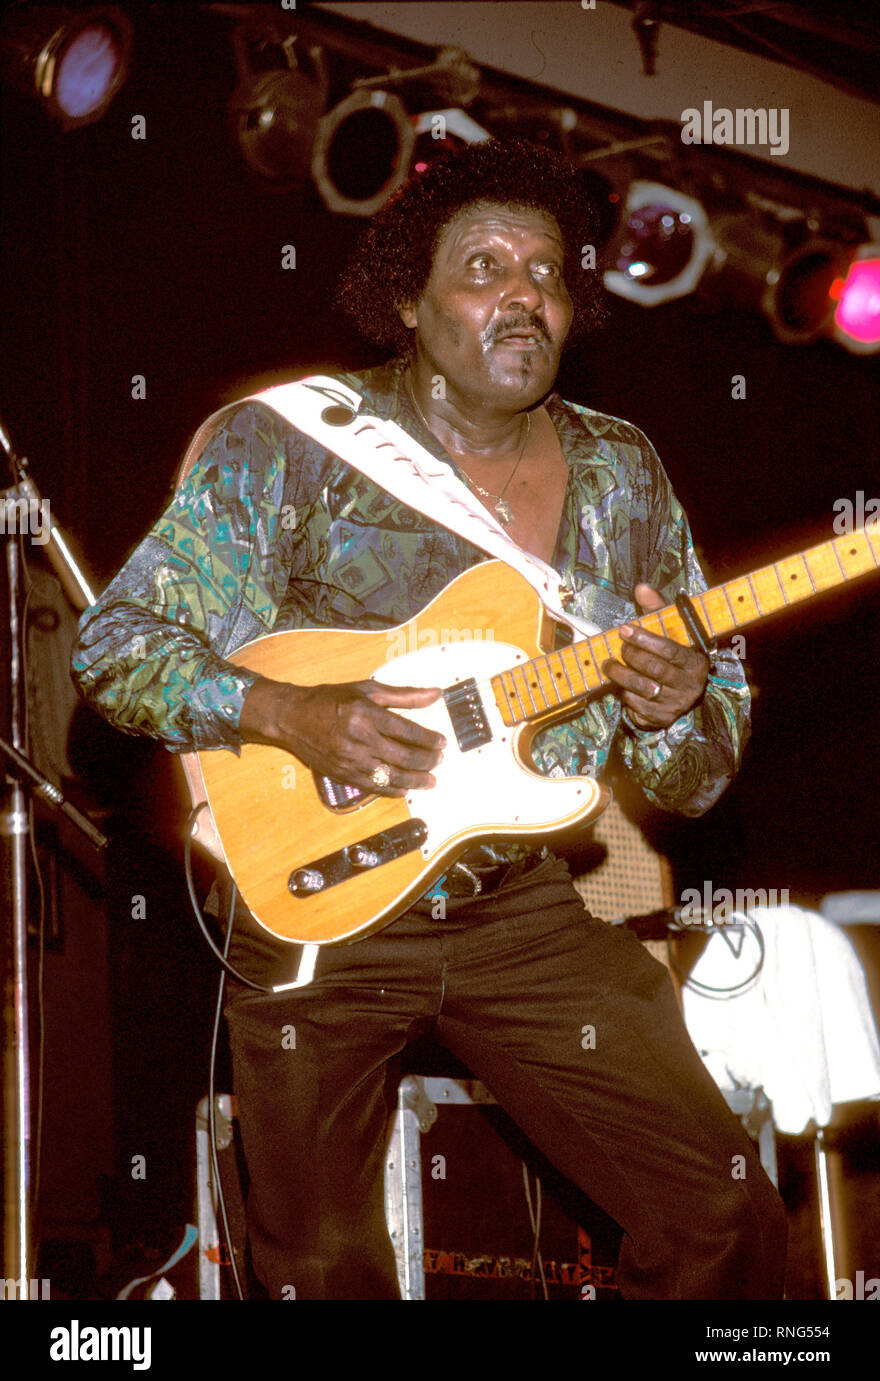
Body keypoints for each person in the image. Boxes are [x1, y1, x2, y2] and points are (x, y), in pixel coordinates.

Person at [71, 140, 787, 1300]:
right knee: (318, 1266)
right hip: (323, 893)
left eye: (548, 273)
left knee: (724, 1214)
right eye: (485, 265)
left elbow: (696, 775)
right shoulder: (293, 445)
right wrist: (288, 712)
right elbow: (115, 648)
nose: (524, 294)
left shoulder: (620, 474)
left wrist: (675, 703)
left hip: (519, 903)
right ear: (406, 298)